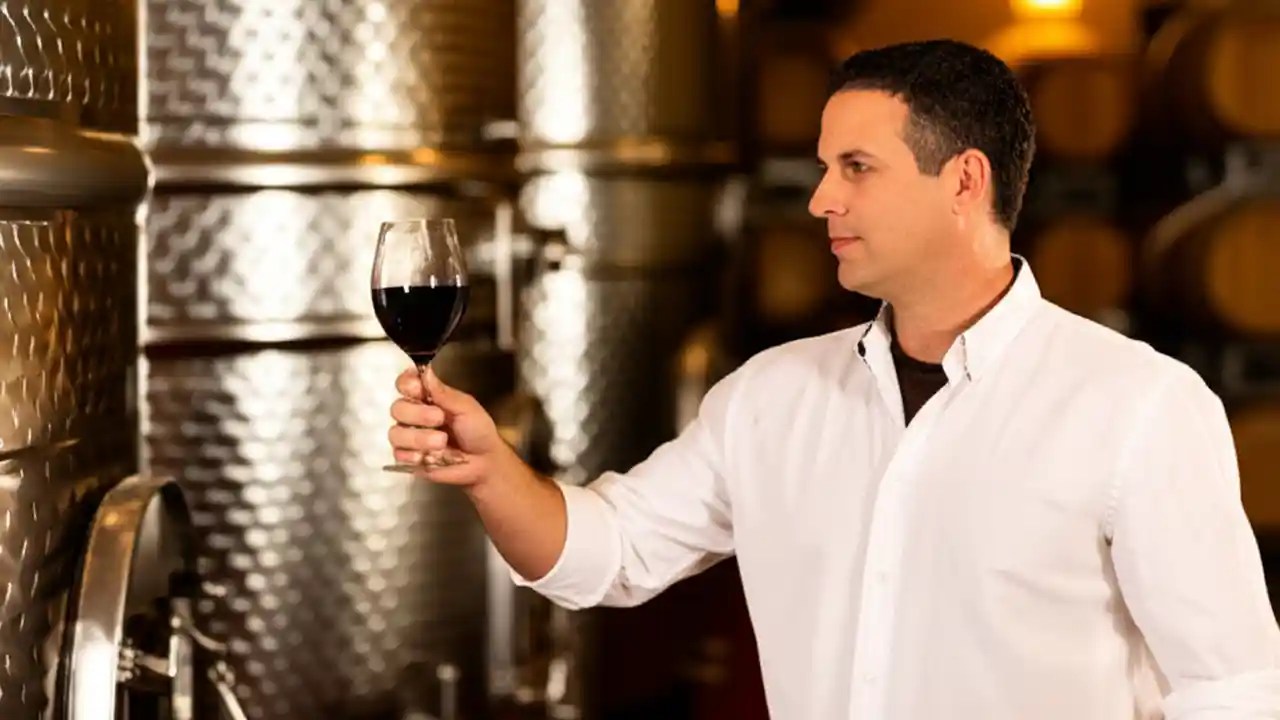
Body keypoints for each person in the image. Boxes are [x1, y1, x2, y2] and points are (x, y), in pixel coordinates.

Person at [388, 39, 1280, 719]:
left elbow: (1232, 687)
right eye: (823, 167)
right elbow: (608, 556)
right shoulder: (772, 396)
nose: (820, 198)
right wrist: (489, 468)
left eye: (856, 168)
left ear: (964, 181)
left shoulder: (1138, 406)